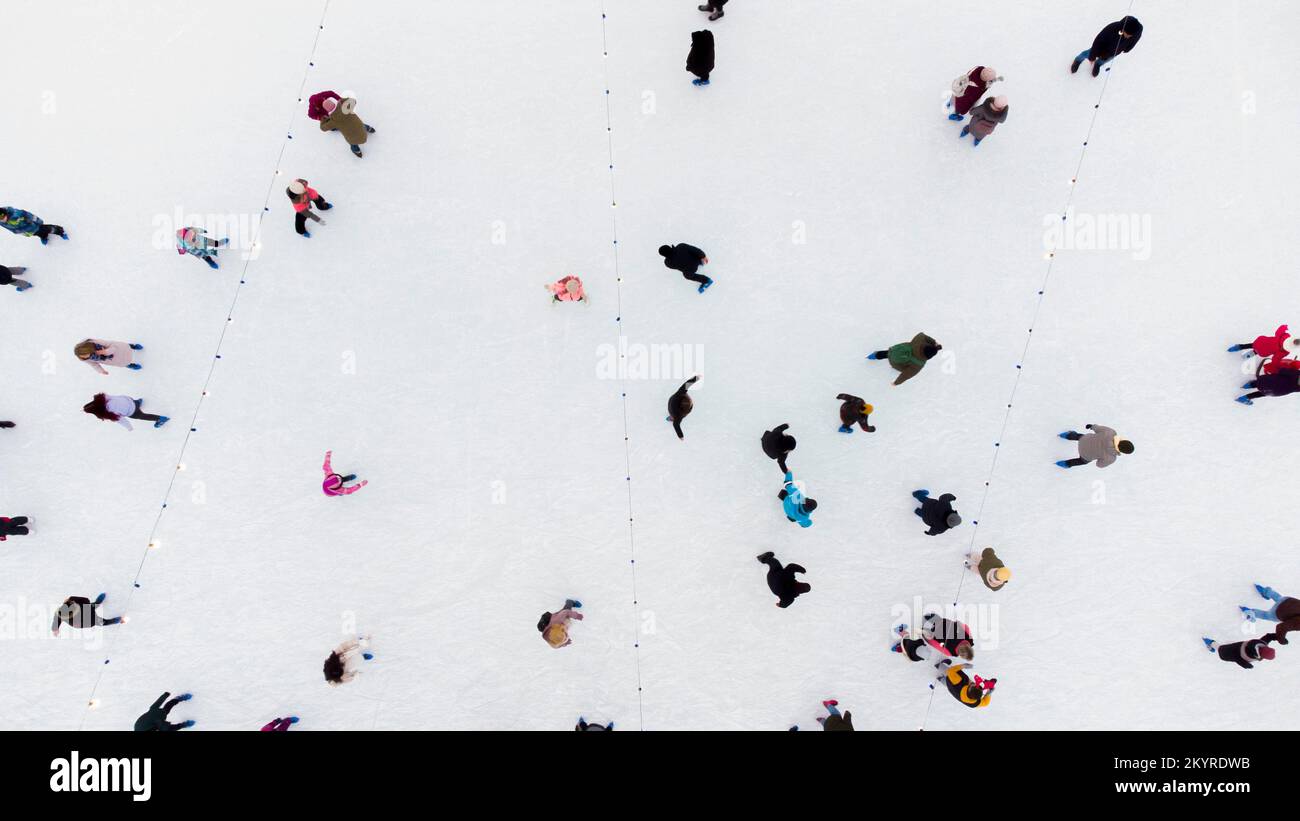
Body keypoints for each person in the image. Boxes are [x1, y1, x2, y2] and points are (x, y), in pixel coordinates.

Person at [1071, 16, 1143, 76]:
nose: (1127, 36)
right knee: (1087, 53)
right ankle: (1077, 60)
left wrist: (1128, 49)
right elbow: (1098, 41)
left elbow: (1135, 41)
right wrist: (1092, 57)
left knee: (1104, 60)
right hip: (1101, 48)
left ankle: (1098, 64)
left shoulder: (1137, 32)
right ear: (1123, 28)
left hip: (1114, 52)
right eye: (1126, 34)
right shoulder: (1113, 27)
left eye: (1129, 35)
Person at [867, 333, 941, 386]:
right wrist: (896, 383)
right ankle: (895, 365)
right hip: (895, 362)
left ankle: (872, 356)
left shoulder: (919, 340)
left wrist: (934, 342)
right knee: (907, 368)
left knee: (888, 353)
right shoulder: (919, 364)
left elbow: (922, 335)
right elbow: (906, 375)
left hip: (894, 350)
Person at [1056, 424, 1133, 468]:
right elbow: (1099, 465)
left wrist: (1091, 426)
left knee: (1084, 437)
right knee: (1083, 461)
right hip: (1085, 455)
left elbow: (1097, 428)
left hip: (1083, 440)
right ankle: (1066, 464)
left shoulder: (1110, 432)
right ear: (1122, 451)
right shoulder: (1111, 458)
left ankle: (1068, 435)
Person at [83, 394, 169, 430]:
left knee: (142, 416)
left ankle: (160, 419)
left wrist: (129, 427)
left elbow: (121, 420)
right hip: (128, 400)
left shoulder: (109, 413)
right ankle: (138, 402)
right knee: (132, 403)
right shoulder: (105, 397)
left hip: (132, 411)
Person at [51, 594, 123, 634]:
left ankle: (97, 602)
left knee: (92, 606)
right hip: (87, 621)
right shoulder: (63, 614)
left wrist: (71, 599)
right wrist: (55, 629)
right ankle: (115, 621)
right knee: (101, 622)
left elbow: (86, 600)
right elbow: (56, 621)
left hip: (85, 609)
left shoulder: (68, 606)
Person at [0, 206, 67, 244]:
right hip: (27, 231)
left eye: (1, 216)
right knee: (38, 234)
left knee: (48, 229)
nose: (2, 219)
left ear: (5, 213)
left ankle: (60, 231)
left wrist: (38, 221)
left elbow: (30, 216)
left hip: (33, 225)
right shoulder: (1, 222)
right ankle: (44, 236)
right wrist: (17, 232)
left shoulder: (17, 213)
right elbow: (10, 228)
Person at [75, 339, 144, 374]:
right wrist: (101, 371)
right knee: (122, 362)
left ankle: (132, 346)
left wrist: (105, 352)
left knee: (126, 348)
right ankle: (130, 365)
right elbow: (94, 365)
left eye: (85, 355)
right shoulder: (86, 359)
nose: (86, 357)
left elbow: (113, 346)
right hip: (112, 360)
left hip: (117, 349)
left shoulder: (96, 343)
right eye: (83, 357)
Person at [1203, 636, 1275, 669]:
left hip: (1238, 645)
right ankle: (1210, 642)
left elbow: (1267, 637)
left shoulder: (1260, 644)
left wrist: (1273, 636)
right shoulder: (1252, 655)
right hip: (1234, 653)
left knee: (1227, 646)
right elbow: (1239, 659)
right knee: (1221, 649)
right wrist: (1247, 665)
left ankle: (1225, 643)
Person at [1228, 325, 1293, 360]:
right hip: (1265, 351)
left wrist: (1284, 327)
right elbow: (1276, 358)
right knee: (1258, 351)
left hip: (1262, 342)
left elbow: (1279, 331)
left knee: (1252, 345)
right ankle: (1248, 355)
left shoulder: (1284, 336)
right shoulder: (1285, 351)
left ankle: (1239, 347)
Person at [667, 375, 701, 439]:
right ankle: (672, 418)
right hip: (672, 410)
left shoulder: (680, 393)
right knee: (676, 419)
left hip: (672, 401)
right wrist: (680, 436)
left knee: (676, 418)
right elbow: (675, 425)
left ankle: (672, 417)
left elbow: (687, 384)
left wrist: (696, 378)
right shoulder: (678, 415)